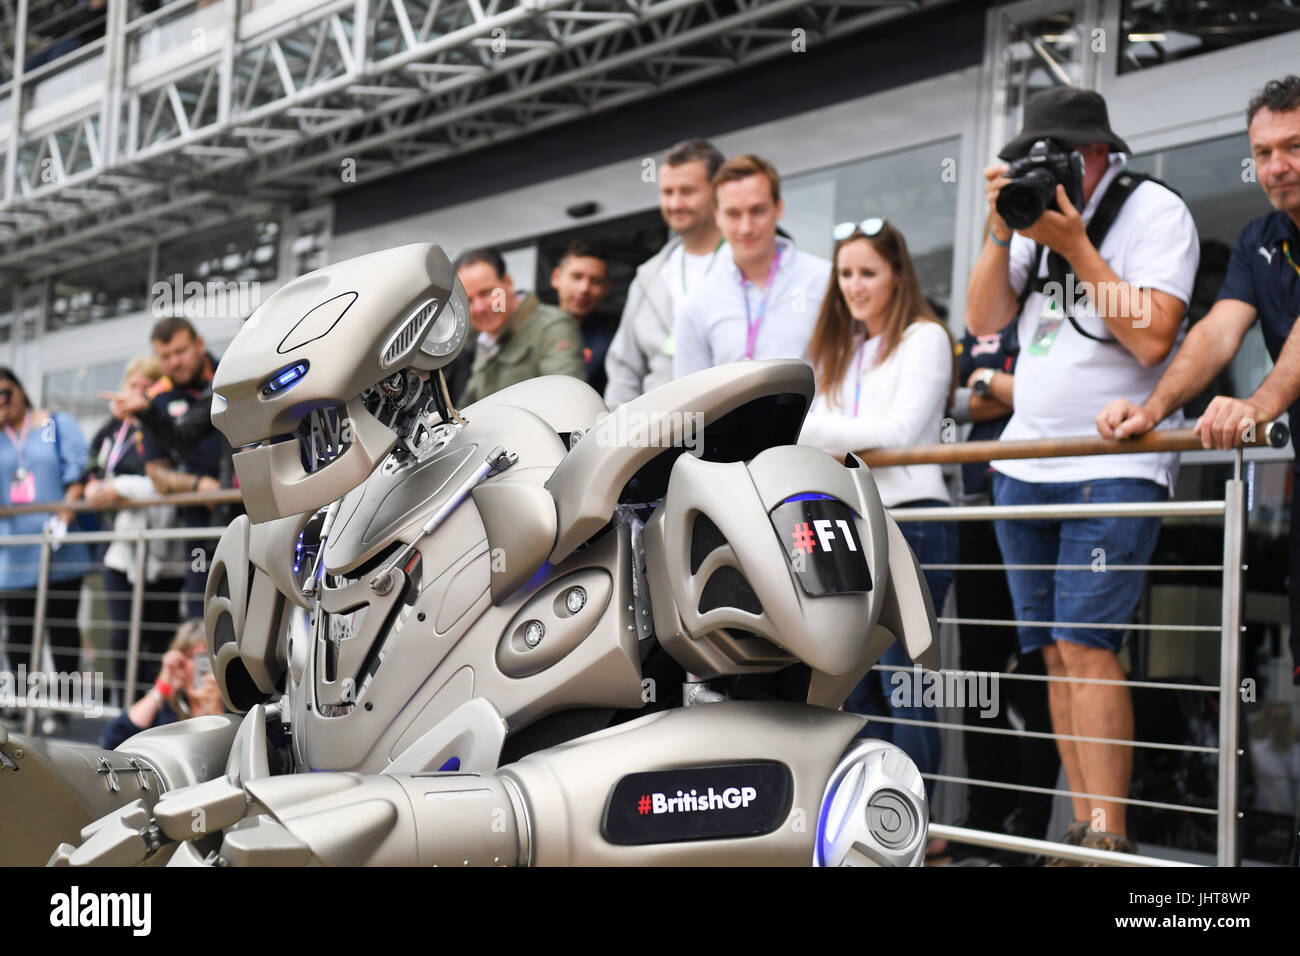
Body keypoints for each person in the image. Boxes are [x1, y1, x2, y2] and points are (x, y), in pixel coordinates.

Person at [966, 85, 1200, 856]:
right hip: (1024, 466)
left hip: (1114, 467)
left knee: (1089, 642)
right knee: (1054, 651)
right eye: (1035, 157)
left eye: (1063, 153)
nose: (1048, 168)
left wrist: (1075, 245)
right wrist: (1003, 230)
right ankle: (1081, 829)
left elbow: (1151, 339)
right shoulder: (1033, 214)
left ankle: (1112, 837)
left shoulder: (1154, 212)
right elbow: (983, 320)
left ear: (1100, 151)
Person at [1097, 74, 1300, 688]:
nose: (1276, 166)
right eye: (1262, 152)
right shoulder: (1260, 240)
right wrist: (1153, 410)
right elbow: (1216, 332)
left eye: (1293, 146)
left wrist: (1259, 404)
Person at [796, 218, 957, 795]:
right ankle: (868, 818)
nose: (856, 285)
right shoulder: (847, 350)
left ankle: (914, 820)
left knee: (903, 683)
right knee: (851, 681)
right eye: (845, 273)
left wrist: (816, 430)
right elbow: (858, 438)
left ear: (897, 275)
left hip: (912, 521)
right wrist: (832, 437)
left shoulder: (926, 337)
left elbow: (901, 434)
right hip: (849, 523)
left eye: (869, 272)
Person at [942, 325, 1061, 862]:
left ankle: (1029, 828)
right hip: (979, 510)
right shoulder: (984, 321)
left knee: (1039, 666)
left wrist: (989, 383)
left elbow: (1054, 393)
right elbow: (952, 402)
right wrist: (997, 387)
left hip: (1041, 510)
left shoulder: (1056, 299)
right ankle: (986, 817)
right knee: (977, 672)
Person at [81, 357, 185, 702]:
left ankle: (155, 708)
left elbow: (168, 483)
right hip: (118, 549)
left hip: (162, 550)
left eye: (146, 388)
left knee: (157, 635)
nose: (137, 394)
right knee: (122, 633)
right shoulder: (113, 427)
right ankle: (124, 708)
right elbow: (92, 468)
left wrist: (120, 487)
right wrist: (92, 489)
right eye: (132, 386)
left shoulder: (165, 423)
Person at [672, 154, 830, 377]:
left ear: (778, 208)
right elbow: (689, 398)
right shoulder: (696, 304)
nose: (746, 227)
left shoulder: (825, 281)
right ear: (717, 216)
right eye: (733, 214)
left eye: (757, 211)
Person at [0, 368, 93, 737]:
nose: (2, 401)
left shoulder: (55, 424)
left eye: (6, 392)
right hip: (14, 553)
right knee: (18, 632)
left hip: (57, 548)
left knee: (62, 628)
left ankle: (63, 707)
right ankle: (23, 703)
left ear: (21, 390)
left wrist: (64, 515)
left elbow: (78, 474)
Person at [604, 139, 727, 406]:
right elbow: (624, 370)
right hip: (658, 437)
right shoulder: (647, 277)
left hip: (733, 427)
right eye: (667, 192)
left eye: (687, 191)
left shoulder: (750, 265)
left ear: (718, 191)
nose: (675, 203)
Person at [138, 316, 234, 620]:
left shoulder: (231, 375)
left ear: (200, 344)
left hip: (250, 507)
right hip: (199, 521)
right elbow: (156, 472)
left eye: (181, 352)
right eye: (165, 356)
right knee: (203, 608)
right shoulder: (156, 401)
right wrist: (198, 485)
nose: (174, 362)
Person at [453, 248, 587, 406]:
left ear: (508, 282)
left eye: (486, 293)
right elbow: (465, 411)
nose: (480, 307)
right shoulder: (484, 339)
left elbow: (567, 400)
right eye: (469, 300)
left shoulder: (551, 326)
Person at [99, 619, 224, 751]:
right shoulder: (169, 706)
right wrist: (161, 688)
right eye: (189, 657)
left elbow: (224, 755)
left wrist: (214, 710)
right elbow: (112, 741)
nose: (197, 668)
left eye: (204, 658)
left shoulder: (233, 706)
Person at [549, 240, 615, 395]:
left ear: (606, 288)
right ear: (556, 277)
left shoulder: (612, 340)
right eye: (577, 277)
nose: (584, 288)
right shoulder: (529, 330)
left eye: (595, 281)